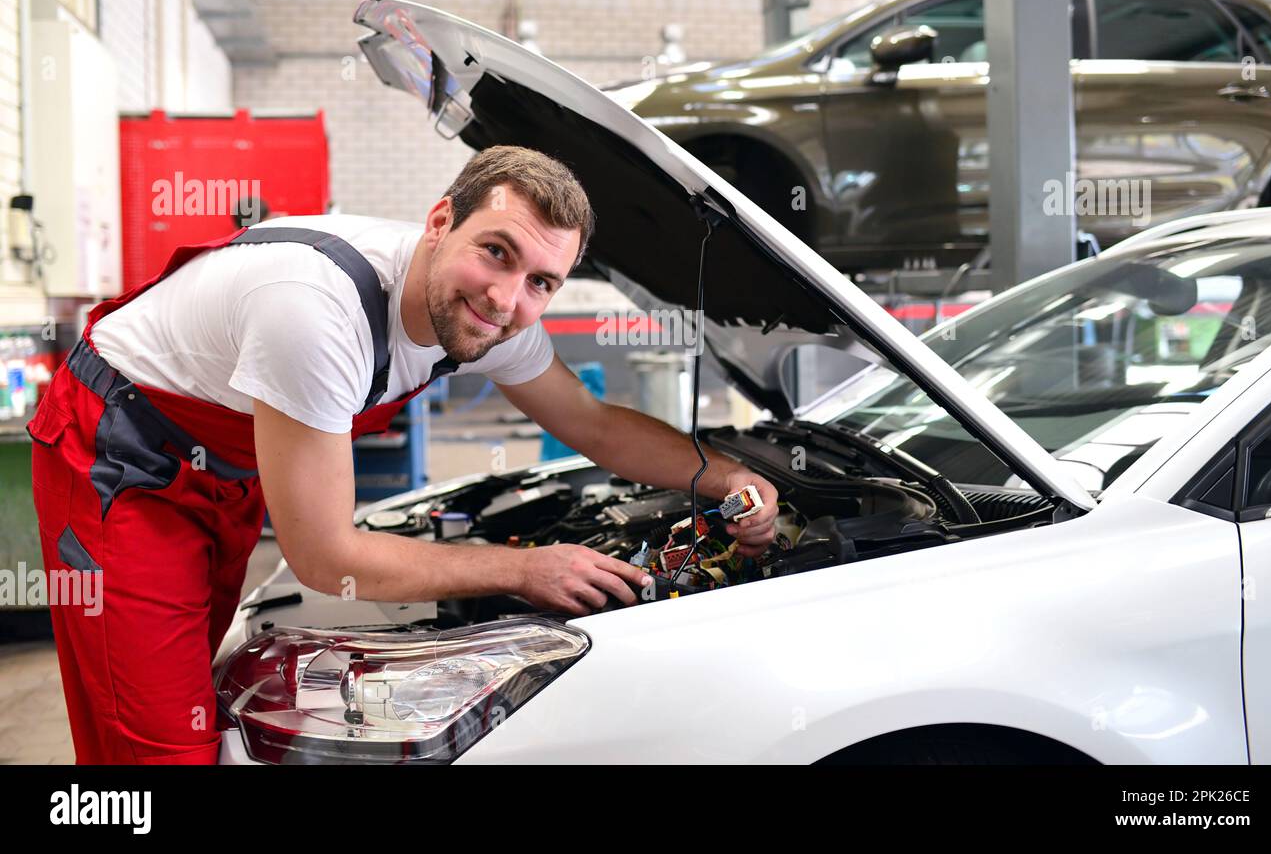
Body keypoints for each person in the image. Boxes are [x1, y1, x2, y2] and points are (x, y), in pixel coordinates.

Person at [27, 144, 779, 764]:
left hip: (231, 466)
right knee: (157, 746)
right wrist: (524, 566)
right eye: (495, 251)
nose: (507, 299)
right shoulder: (316, 311)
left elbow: (593, 424)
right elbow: (327, 556)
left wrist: (734, 477)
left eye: (541, 282)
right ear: (439, 220)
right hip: (121, 463)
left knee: (202, 695)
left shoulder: (496, 317)